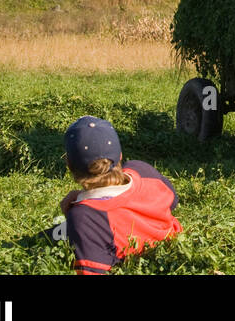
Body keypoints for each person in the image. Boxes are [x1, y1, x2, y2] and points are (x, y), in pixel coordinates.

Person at [48, 116, 182, 274]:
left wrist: (73, 218)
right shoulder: (142, 170)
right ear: (120, 156)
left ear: (69, 165)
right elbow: (173, 201)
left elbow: (91, 270)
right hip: (172, 246)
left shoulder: (86, 217)